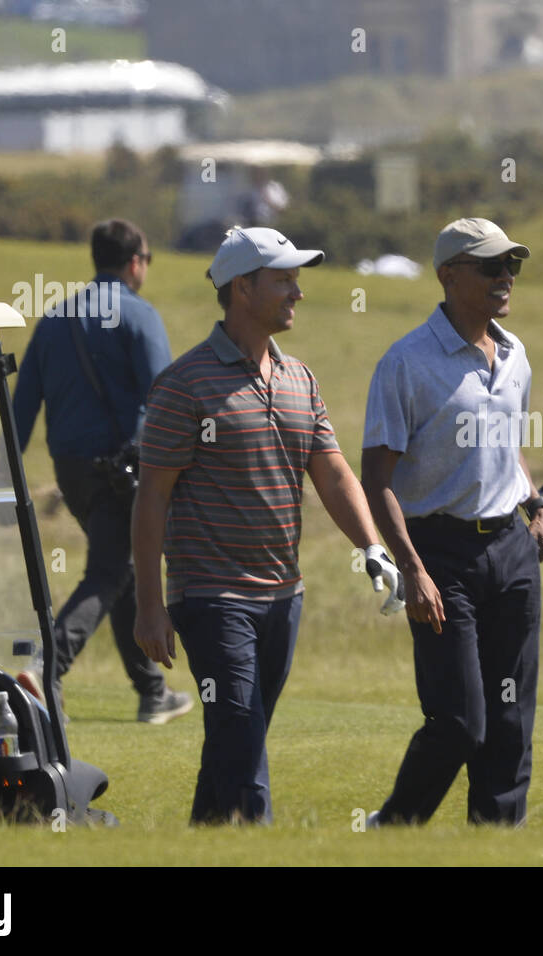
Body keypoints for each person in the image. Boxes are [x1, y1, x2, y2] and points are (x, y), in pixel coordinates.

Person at [132, 226, 403, 825]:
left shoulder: (300, 379)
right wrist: (150, 606)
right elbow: (151, 499)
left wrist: (373, 549)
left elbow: (333, 475)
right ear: (242, 289)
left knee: (238, 740)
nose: (297, 292)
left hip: (284, 598)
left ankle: (205, 841)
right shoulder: (184, 385)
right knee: (241, 733)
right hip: (210, 595)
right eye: (284, 280)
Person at [361, 217, 543, 827]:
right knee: (461, 721)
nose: (505, 278)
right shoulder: (406, 363)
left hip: (511, 549)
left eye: (512, 267)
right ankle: (393, 830)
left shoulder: (517, 354)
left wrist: (536, 505)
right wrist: (411, 571)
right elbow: (376, 481)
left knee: (510, 719)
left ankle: (494, 842)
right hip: (439, 556)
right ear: (448, 275)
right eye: (491, 267)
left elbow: (506, 446)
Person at [12, 218, 191, 725]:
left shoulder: (53, 319)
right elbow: (168, 397)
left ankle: (152, 691)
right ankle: (47, 672)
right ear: (135, 262)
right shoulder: (139, 315)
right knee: (111, 571)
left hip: (71, 472)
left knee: (123, 570)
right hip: (127, 471)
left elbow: (20, 412)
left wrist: (3, 479)